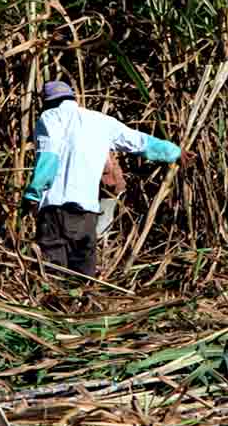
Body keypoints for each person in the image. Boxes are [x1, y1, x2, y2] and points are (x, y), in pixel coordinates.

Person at [22, 81, 182, 278]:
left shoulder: (50, 117)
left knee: (51, 272)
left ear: (47, 102)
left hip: (55, 208)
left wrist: (33, 193)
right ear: (74, 98)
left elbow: (49, 157)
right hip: (87, 212)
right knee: (83, 273)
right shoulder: (102, 122)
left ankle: (50, 307)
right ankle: (84, 305)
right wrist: (174, 152)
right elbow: (139, 141)